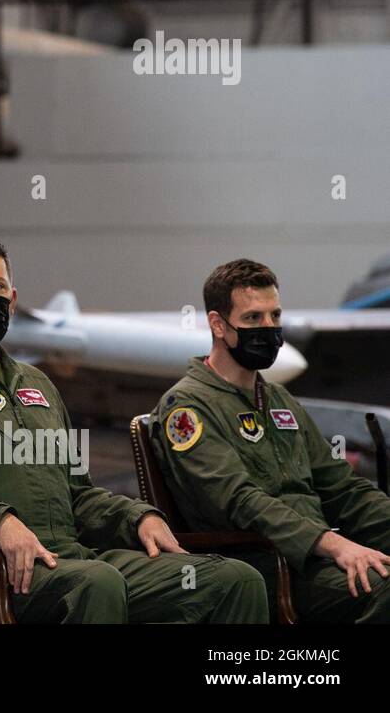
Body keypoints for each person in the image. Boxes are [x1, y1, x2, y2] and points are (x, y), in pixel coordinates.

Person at [0, 236, 268, 623]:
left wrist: (137, 517)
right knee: (96, 584)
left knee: (235, 580)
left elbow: (78, 495)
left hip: (69, 560)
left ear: (12, 300)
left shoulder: (38, 385)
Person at [152, 258, 390, 622]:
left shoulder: (278, 398)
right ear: (218, 325)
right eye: (252, 319)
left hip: (316, 557)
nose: (268, 328)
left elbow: (342, 488)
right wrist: (333, 544)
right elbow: (240, 502)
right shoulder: (185, 408)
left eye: (274, 316)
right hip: (263, 566)